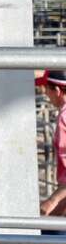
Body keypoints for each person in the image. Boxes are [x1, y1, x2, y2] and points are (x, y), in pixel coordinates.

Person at [35, 72, 66, 217]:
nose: (45, 92)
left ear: (58, 91)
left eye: (47, 88)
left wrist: (53, 201)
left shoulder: (64, 118)